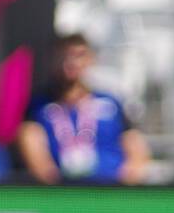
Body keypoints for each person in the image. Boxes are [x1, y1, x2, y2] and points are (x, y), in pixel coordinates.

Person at [16, 33, 150, 184]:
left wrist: (126, 182)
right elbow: (33, 147)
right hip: (64, 192)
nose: (71, 63)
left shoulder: (110, 103)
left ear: (90, 59)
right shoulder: (39, 105)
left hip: (110, 190)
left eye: (79, 56)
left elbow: (136, 149)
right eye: (64, 56)